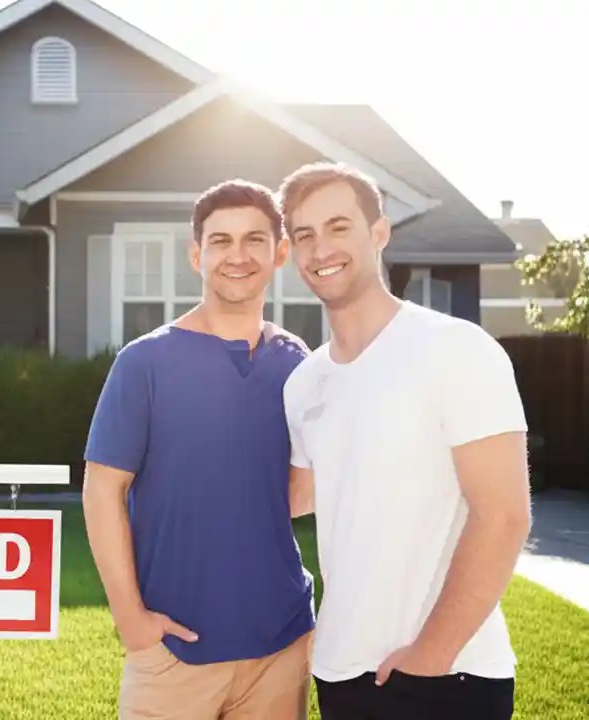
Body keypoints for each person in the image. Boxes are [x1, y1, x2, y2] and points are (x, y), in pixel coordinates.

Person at [277, 161, 532, 719]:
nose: (321, 249)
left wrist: (431, 655)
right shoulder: (304, 383)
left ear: (378, 233)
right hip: (341, 671)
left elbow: (506, 514)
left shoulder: (455, 348)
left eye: (338, 227)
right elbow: (298, 499)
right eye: (304, 235)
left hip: (447, 675)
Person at [82, 179, 317, 719]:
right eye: (221, 241)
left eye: (255, 240)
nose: (238, 255)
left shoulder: (295, 361)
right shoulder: (144, 363)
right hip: (172, 650)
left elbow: (297, 494)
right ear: (196, 255)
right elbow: (101, 492)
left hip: (280, 645)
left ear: (279, 253)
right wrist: (131, 620)